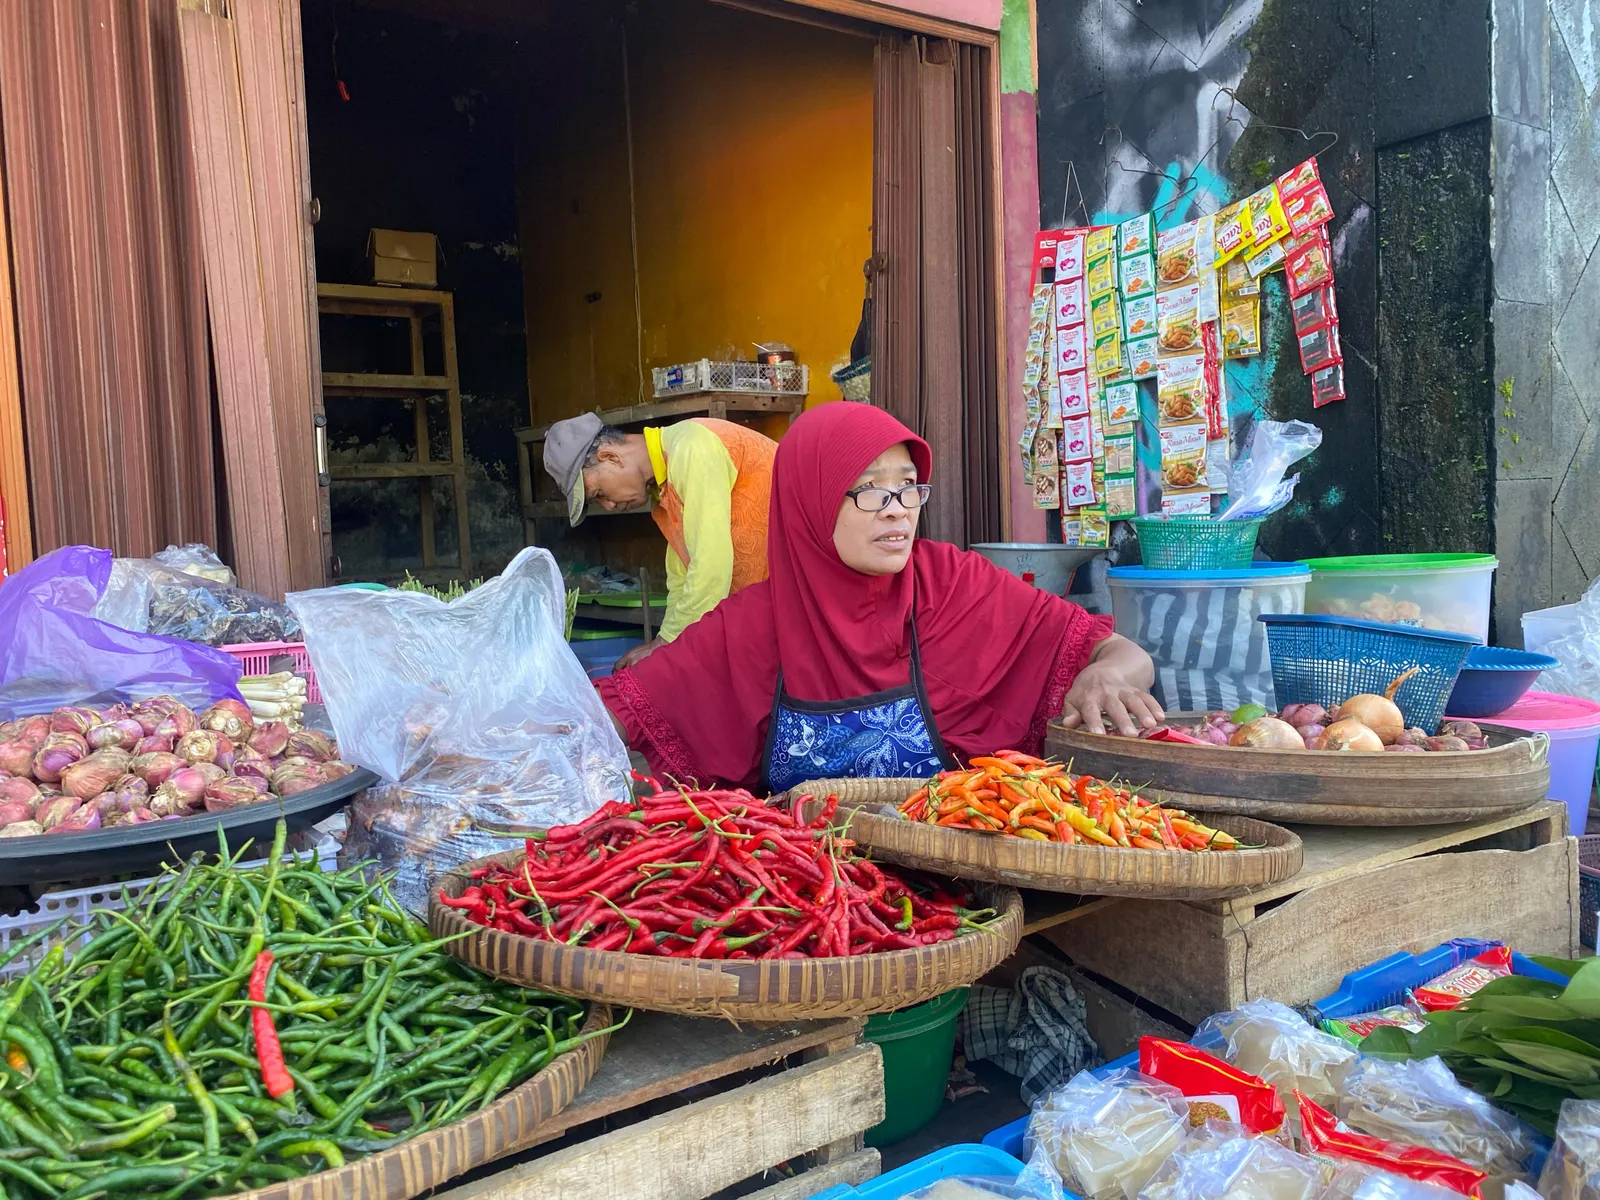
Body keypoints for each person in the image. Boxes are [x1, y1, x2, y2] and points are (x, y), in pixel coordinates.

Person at [596, 402, 1162, 791]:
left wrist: (1107, 674)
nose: (896, 507)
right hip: (818, 908)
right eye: (866, 488)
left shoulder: (956, 586)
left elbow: (1126, 656)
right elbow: (606, 718)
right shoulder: (748, 626)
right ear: (809, 502)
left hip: (970, 895)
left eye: (907, 484)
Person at [543, 412, 778, 669]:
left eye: (599, 493)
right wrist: (662, 642)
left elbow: (711, 570)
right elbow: (682, 579)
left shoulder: (692, 446)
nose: (608, 505)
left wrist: (665, 644)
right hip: (767, 616)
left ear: (611, 457)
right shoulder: (663, 490)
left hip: (799, 606)